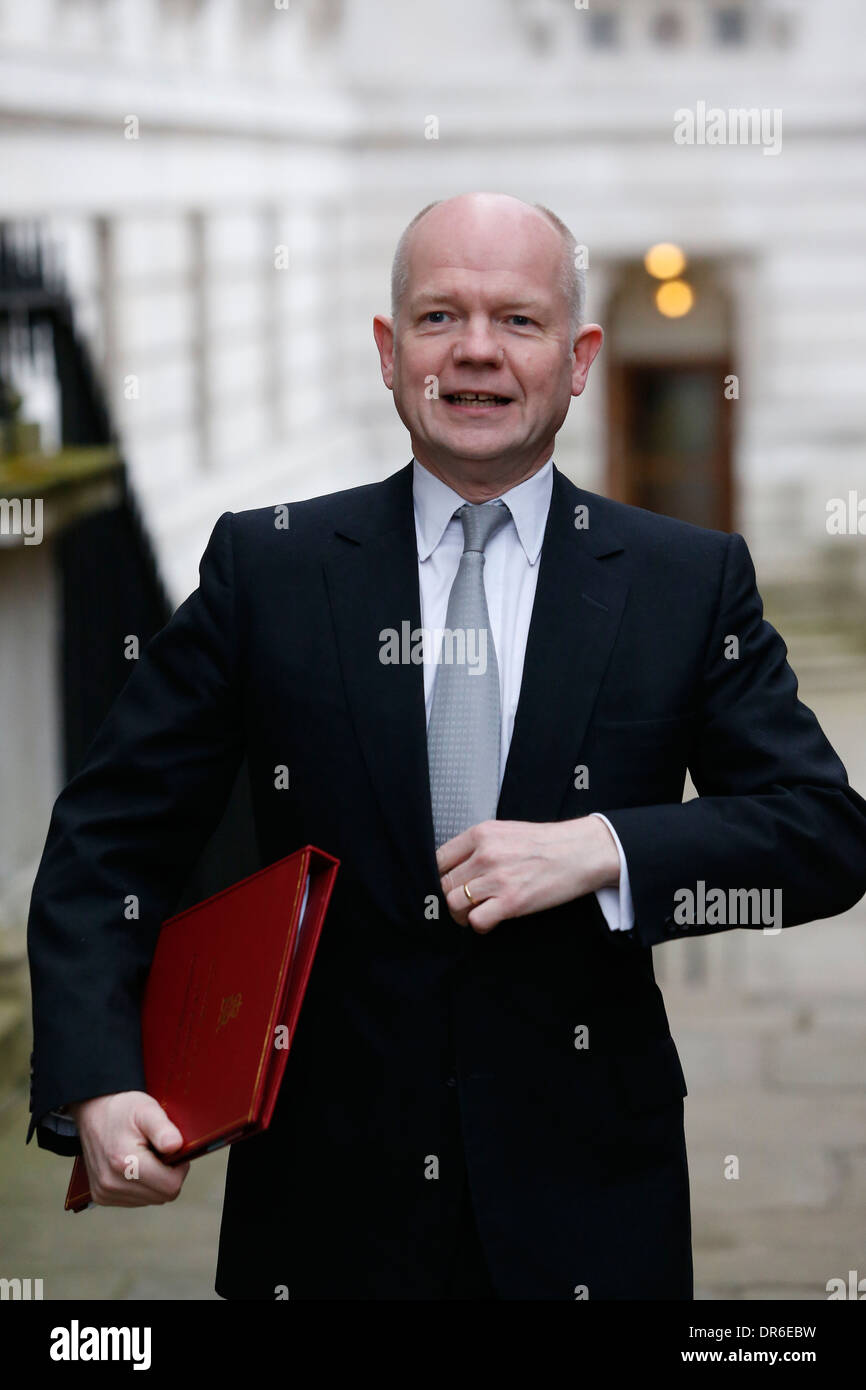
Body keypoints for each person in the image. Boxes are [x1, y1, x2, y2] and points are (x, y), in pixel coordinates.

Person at [27, 192, 866, 1300]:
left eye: (516, 321)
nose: (474, 350)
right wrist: (96, 1078)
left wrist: (606, 847)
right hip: (324, 1221)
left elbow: (820, 833)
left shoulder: (683, 580)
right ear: (388, 351)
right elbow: (105, 841)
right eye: (438, 317)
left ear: (578, 357)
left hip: (589, 1210)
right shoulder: (266, 571)